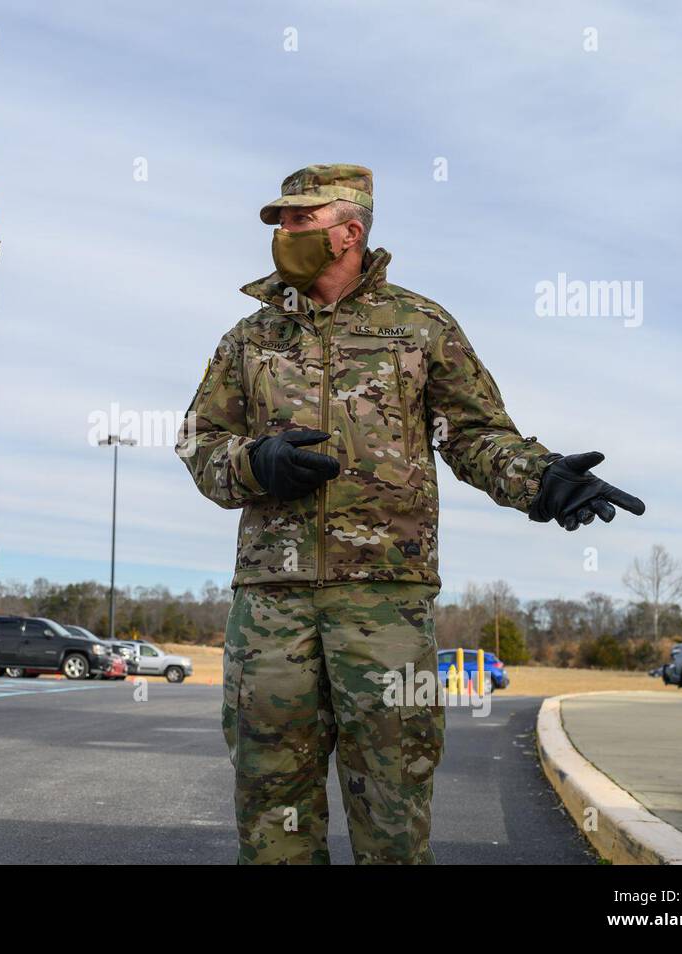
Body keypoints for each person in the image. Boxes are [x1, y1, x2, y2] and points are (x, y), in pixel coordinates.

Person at [176, 164, 644, 864]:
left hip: (387, 603)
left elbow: (475, 434)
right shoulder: (249, 339)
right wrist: (255, 462)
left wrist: (542, 481)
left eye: (300, 221)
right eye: (279, 223)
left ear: (349, 232)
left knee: (393, 799)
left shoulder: (420, 327)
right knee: (271, 802)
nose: (284, 235)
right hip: (273, 603)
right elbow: (198, 443)